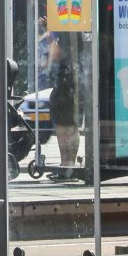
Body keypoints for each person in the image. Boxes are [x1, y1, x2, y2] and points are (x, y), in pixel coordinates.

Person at [44, 34, 80, 168]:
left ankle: (67, 164)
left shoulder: (69, 33)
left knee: (66, 128)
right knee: (66, 128)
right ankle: (67, 163)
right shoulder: (70, 32)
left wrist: (50, 36)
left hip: (66, 88)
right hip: (65, 87)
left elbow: (59, 54)